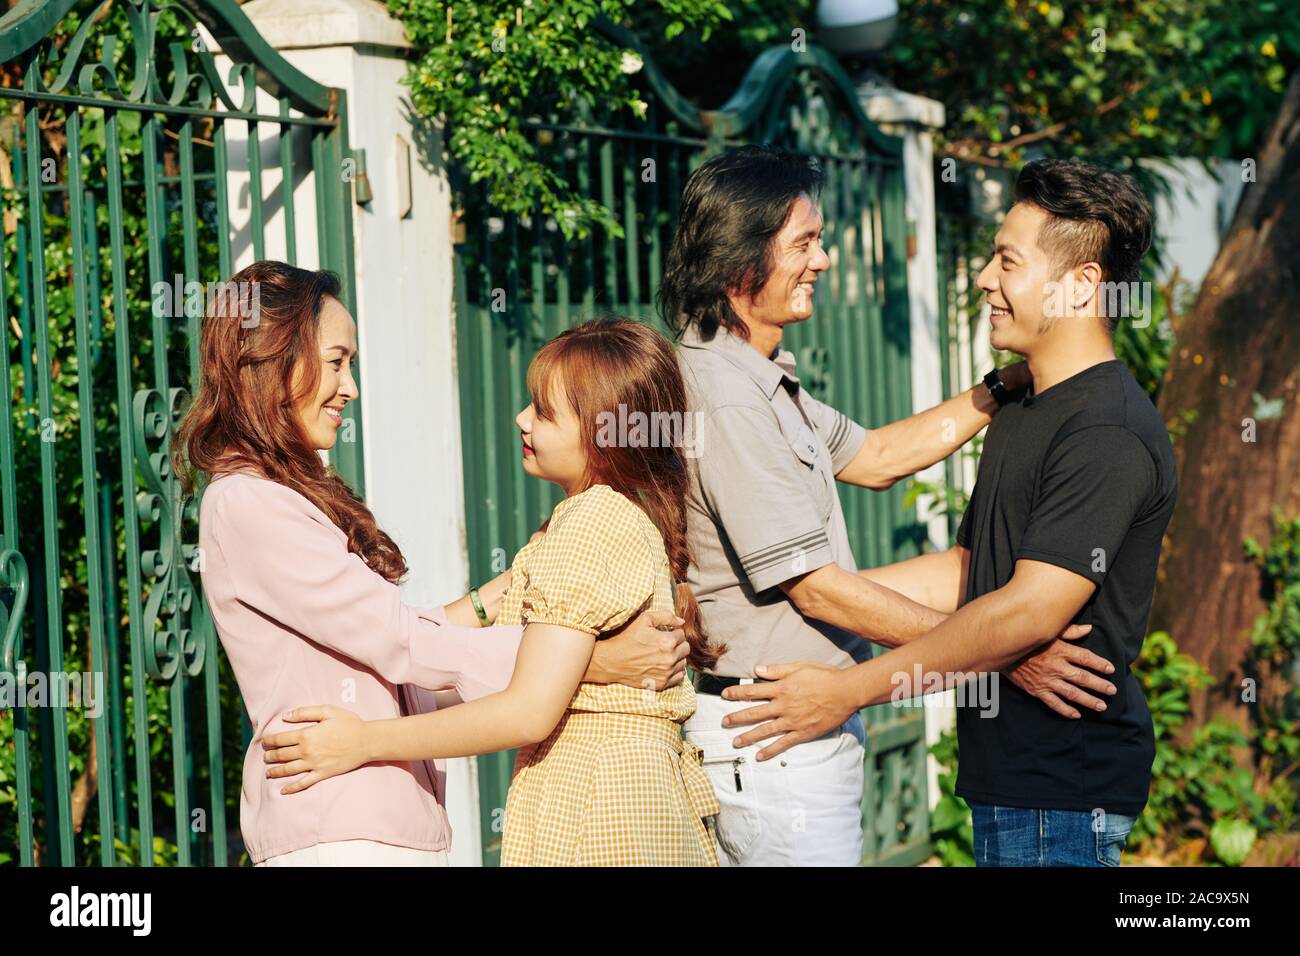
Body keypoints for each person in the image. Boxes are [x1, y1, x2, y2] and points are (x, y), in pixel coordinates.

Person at [659, 144, 1109, 866]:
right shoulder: (729, 399)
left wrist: (1003, 387)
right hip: (775, 731)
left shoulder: (759, 378)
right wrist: (1000, 655)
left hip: (789, 735)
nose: (824, 260)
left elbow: (878, 458)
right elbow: (816, 588)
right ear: (740, 258)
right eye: (804, 242)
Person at [180, 263, 686, 866]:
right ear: (273, 360)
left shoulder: (283, 492)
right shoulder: (249, 501)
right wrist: (586, 663)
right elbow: (401, 644)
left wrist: (503, 595)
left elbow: (395, 657)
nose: (351, 387)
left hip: (374, 819)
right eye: (337, 361)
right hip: (338, 823)